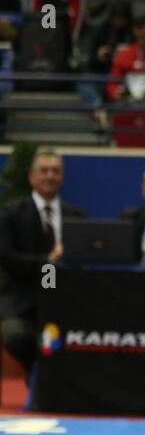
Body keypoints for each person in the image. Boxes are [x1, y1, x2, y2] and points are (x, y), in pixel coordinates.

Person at [0, 149, 87, 373]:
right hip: (22, 301)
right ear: (31, 177)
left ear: (62, 177)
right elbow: (7, 257)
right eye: (44, 171)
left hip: (67, 299)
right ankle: (39, 374)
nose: (50, 176)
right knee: (15, 335)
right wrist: (48, 260)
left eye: (55, 171)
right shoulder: (11, 213)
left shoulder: (77, 216)